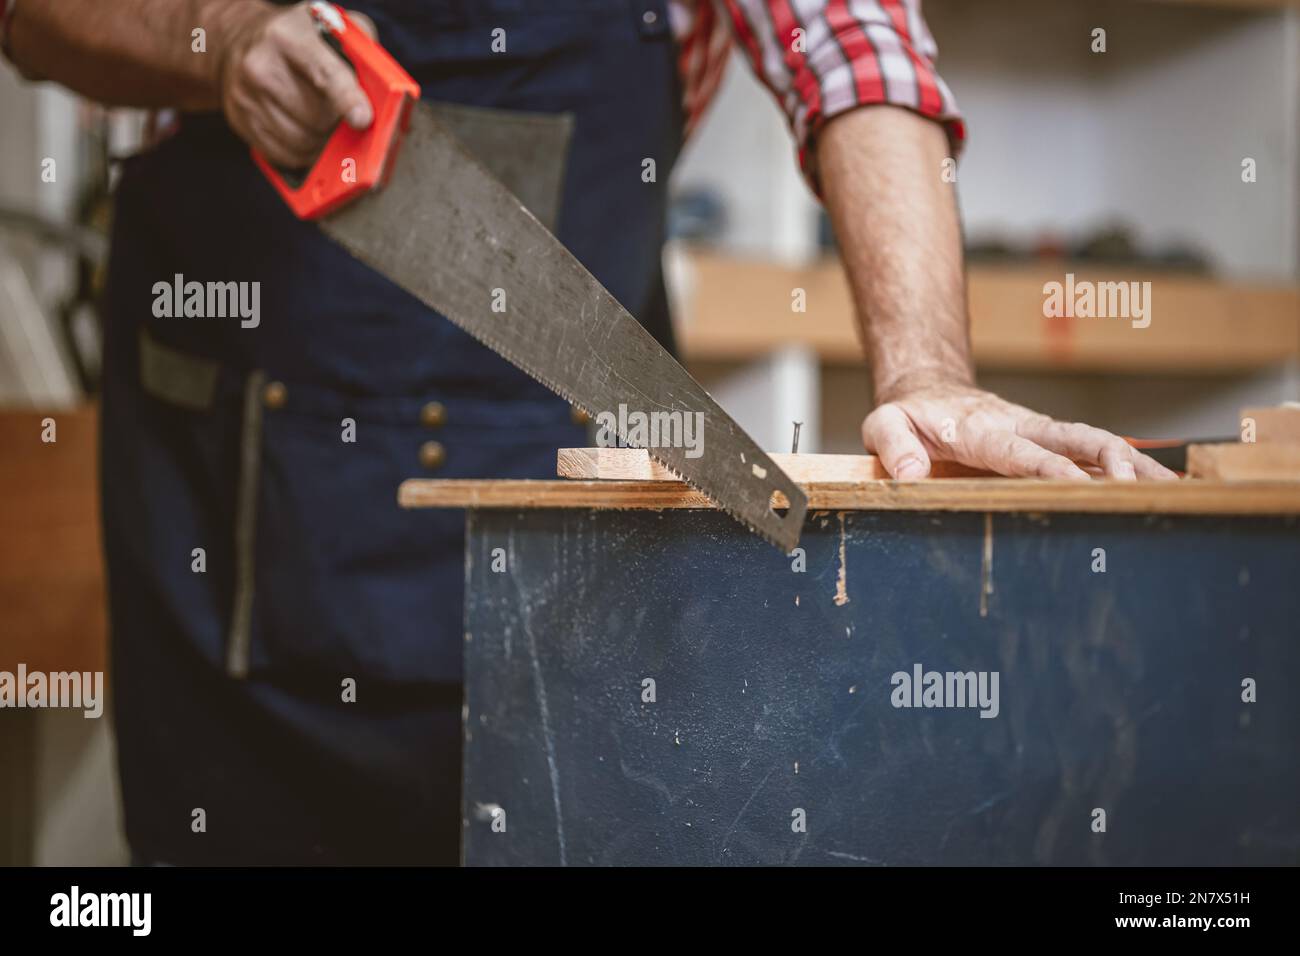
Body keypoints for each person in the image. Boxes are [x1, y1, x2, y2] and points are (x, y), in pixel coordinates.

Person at [1, 0, 1175, 865]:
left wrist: (930, 371)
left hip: (572, 497)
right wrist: (222, 36)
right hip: (244, 485)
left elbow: (853, 43)